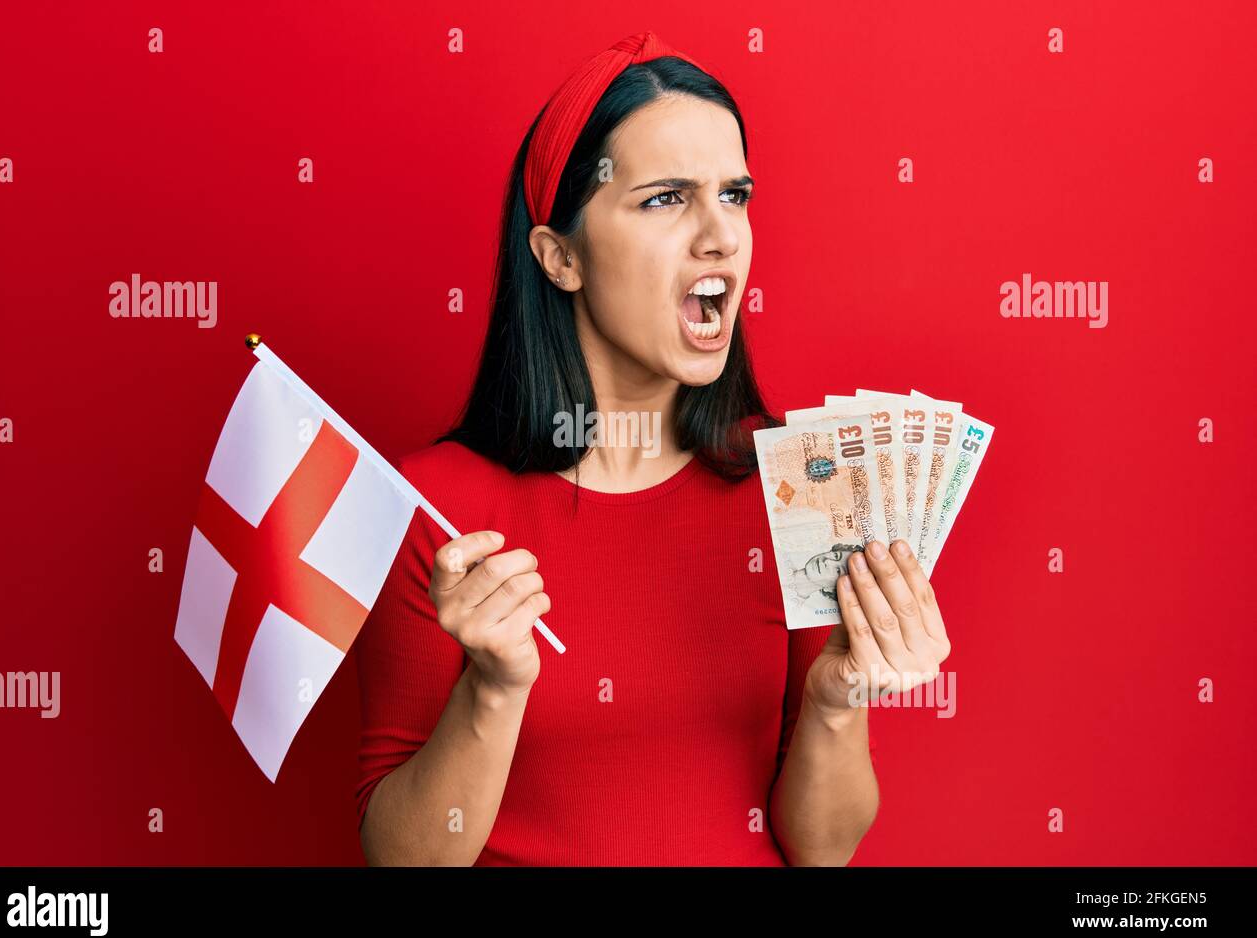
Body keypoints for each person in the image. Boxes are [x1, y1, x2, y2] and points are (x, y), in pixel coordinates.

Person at [354, 31, 950, 866]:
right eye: (666, 199)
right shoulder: (438, 510)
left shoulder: (804, 487)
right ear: (560, 258)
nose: (721, 237)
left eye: (734, 195)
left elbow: (821, 851)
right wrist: (492, 693)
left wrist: (835, 701)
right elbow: (401, 859)